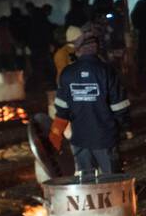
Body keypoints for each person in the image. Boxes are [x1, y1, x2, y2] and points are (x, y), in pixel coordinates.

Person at [50, 24, 129, 173]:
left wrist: (55, 136)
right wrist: (124, 128)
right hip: (105, 139)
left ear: (78, 50)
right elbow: (120, 106)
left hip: (80, 140)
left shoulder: (67, 73)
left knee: (86, 184)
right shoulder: (107, 71)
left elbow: (61, 111)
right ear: (96, 49)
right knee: (111, 182)